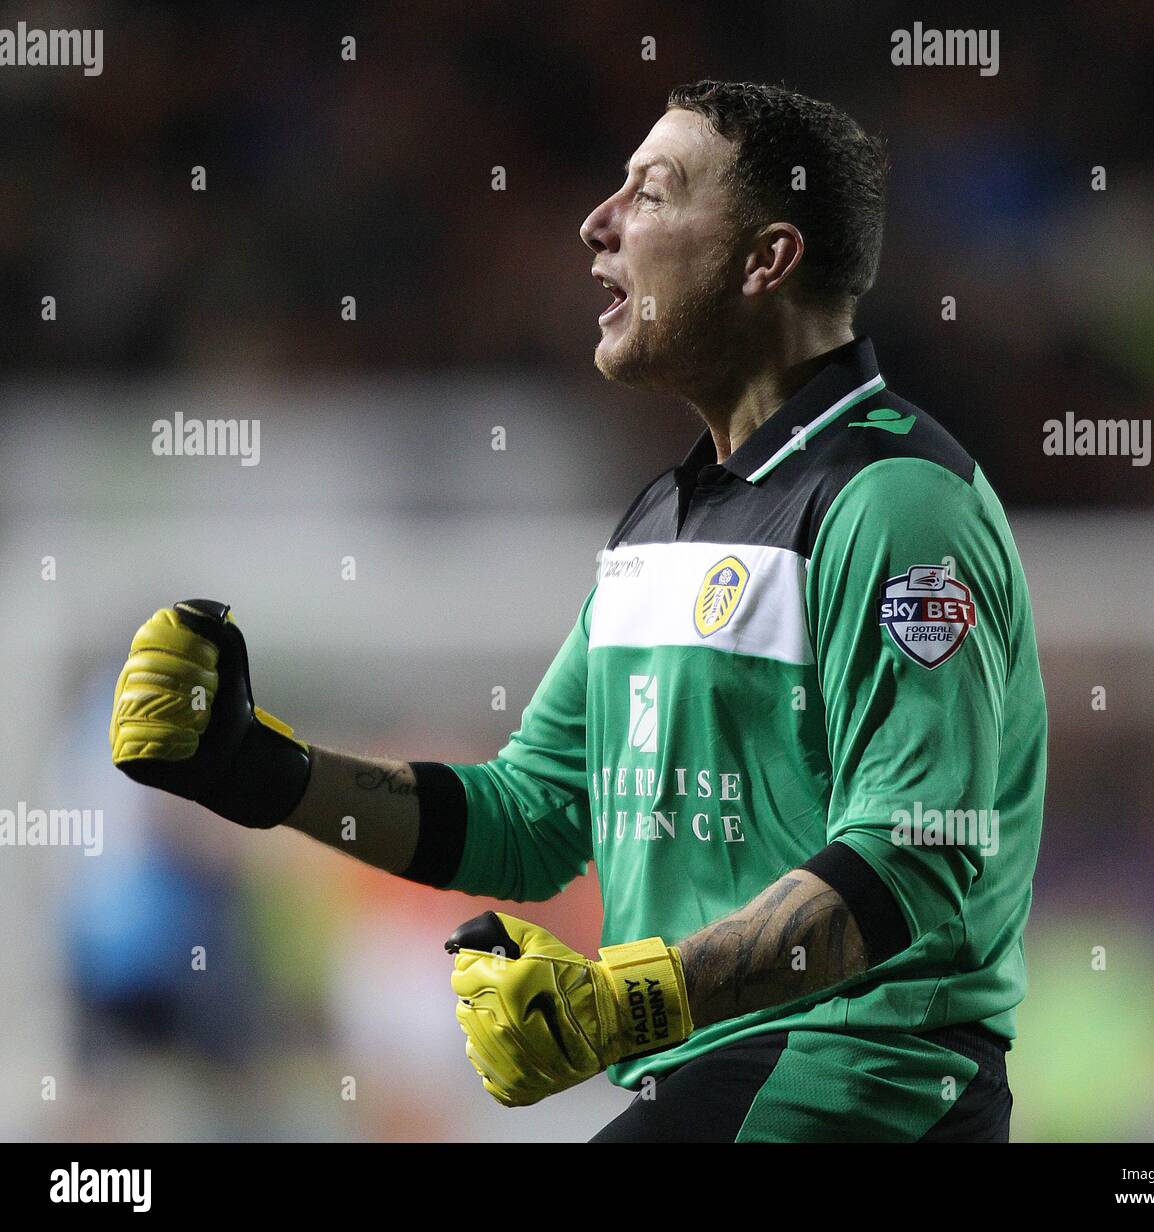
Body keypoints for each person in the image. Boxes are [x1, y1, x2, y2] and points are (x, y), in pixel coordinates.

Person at [111, 80, 1047, 1143]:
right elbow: (531, 817)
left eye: (651, 194)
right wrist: (255, 769)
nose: (597, 222)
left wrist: (631, 999)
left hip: (855, 1075)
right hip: (714, 1075)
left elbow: (918, 846)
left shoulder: (896, 499)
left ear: (765, 260)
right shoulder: (661, 521)